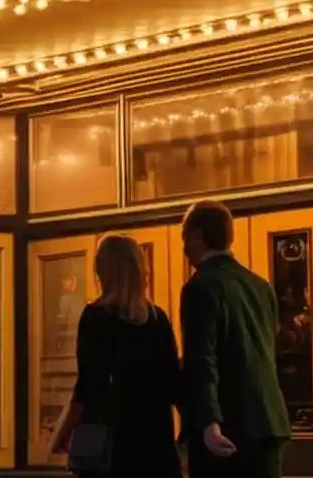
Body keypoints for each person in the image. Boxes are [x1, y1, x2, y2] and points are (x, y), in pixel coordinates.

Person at [52, 234, 182, 478]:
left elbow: (88, 387)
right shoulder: (157, 318)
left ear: (103, 272)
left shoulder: (96, 317)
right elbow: (173, 383)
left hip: (111, 447)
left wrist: (64, 431)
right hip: (155, 443)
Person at [179, 201, 291, 478]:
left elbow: (202, 359)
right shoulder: (260, 285)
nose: (184, 247)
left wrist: (208, 421)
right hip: (269, 422)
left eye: (185, 237)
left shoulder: (200, 287)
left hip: (229, 429)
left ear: (197, 236)